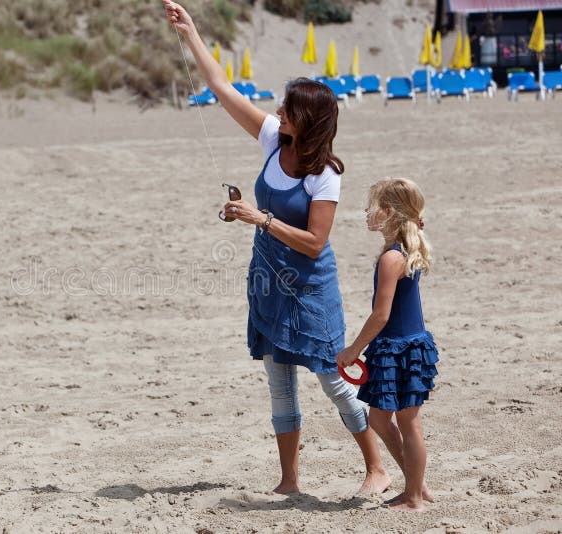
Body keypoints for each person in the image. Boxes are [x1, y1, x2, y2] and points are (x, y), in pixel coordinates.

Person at [162, 0, 391, 495]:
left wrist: (260, 218)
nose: (277, 111)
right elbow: (223, 89)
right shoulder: (273, 139)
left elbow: (315, 243)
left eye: (288, 108)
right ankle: (289, 480)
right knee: (279, 384)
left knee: (333, 380)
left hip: (310, 287)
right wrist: (191, 33)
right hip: (267, 281)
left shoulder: (324, 176)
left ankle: (376, 467)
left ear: (306, 121)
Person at [336, 178, 439, 512]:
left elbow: (380, 316)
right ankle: (416, 483)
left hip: (400, 350)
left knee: (409, 423)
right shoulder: (405, 250)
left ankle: (413, 498)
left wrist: (353, 349)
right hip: (401, 347)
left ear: (389, 212)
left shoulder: (391, 258)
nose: (367, 214)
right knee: (381, 420)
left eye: (372, 207)